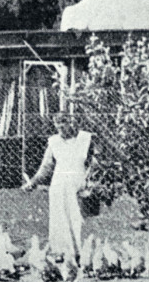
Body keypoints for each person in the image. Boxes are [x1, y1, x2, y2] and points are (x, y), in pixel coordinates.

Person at [22, 112, 95, 266]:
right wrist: (33, 182)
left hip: (77, 185)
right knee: (59, 220)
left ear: (71, 121)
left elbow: (95, 163)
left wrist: (91, 181)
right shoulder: (54, 142)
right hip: (59, 185)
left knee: (77, 219)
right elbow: (46, 166)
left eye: (64, 122)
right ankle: (61, 252)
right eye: (57, 123)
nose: (61, 126)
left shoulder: (84, 139)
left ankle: (80, 254)